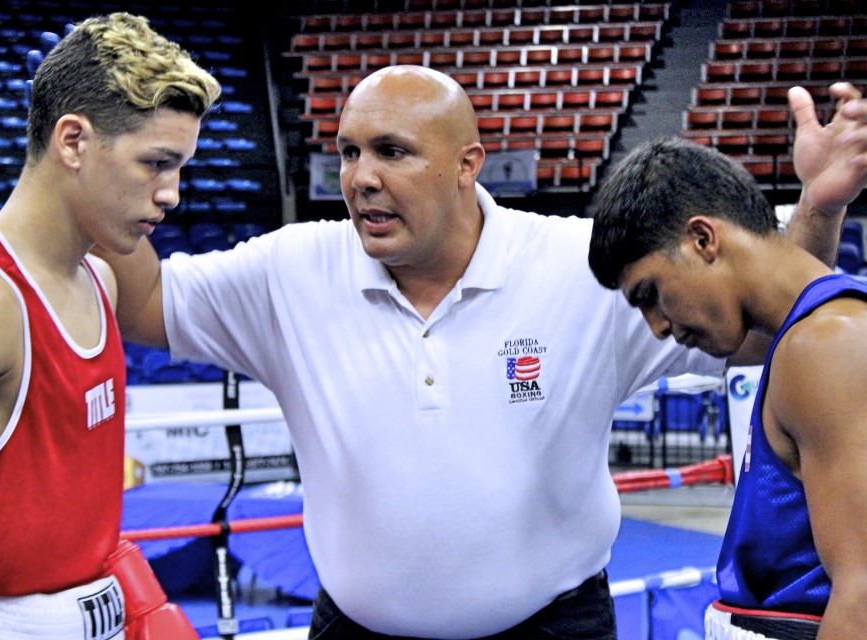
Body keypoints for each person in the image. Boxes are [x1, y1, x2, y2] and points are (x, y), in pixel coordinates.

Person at [100, 65, 867, 639]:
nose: (362, 177)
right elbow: (141, 304)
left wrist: (820, 209)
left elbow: (766, 328)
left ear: (469, 164)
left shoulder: (581, 265)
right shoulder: (291, 268)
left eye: (392, 152)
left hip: (555, 626)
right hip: (357, 631)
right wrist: (119, 177)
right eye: (349, 153)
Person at [0, 13, 220, 640]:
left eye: (179, 166)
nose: (172, 194)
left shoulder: (100, 280)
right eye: (156, 163)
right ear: (72, 141)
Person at [587, 134, 867, 639]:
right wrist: (819, 209)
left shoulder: (826, 345)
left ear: (702, 240)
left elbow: (863, 594)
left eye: (651, 294)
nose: (657, 327)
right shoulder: (809, 336)